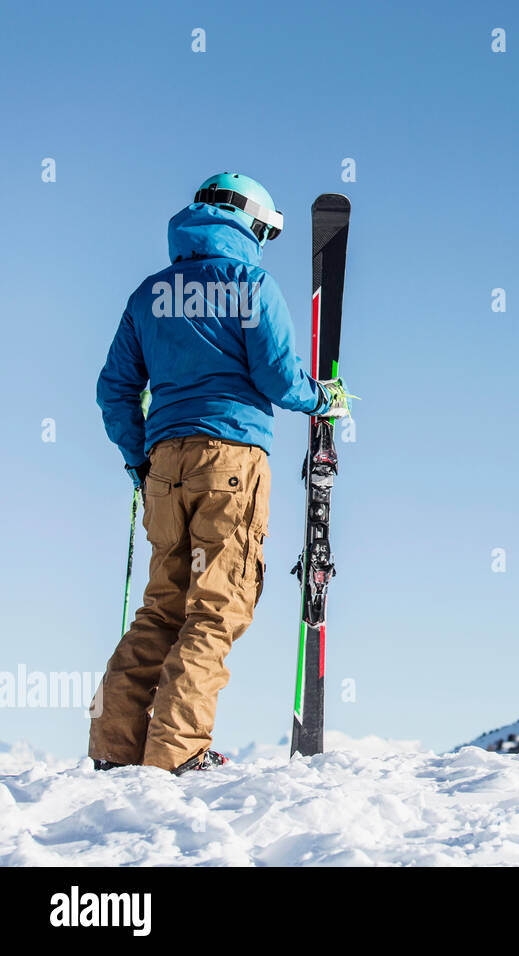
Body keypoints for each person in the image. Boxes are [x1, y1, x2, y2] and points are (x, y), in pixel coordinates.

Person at [89, 173, 350, 775]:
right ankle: (177, 754)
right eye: (265, 229)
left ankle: (114, 750)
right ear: (249, 223)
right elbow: (279, 379)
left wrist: (139, 459)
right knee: (216, 606)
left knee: (161, 608)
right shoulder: (250, 284)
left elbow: (114, 390)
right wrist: (324, 399)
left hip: (164, 467)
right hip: (230, 462)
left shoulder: (148, 294)